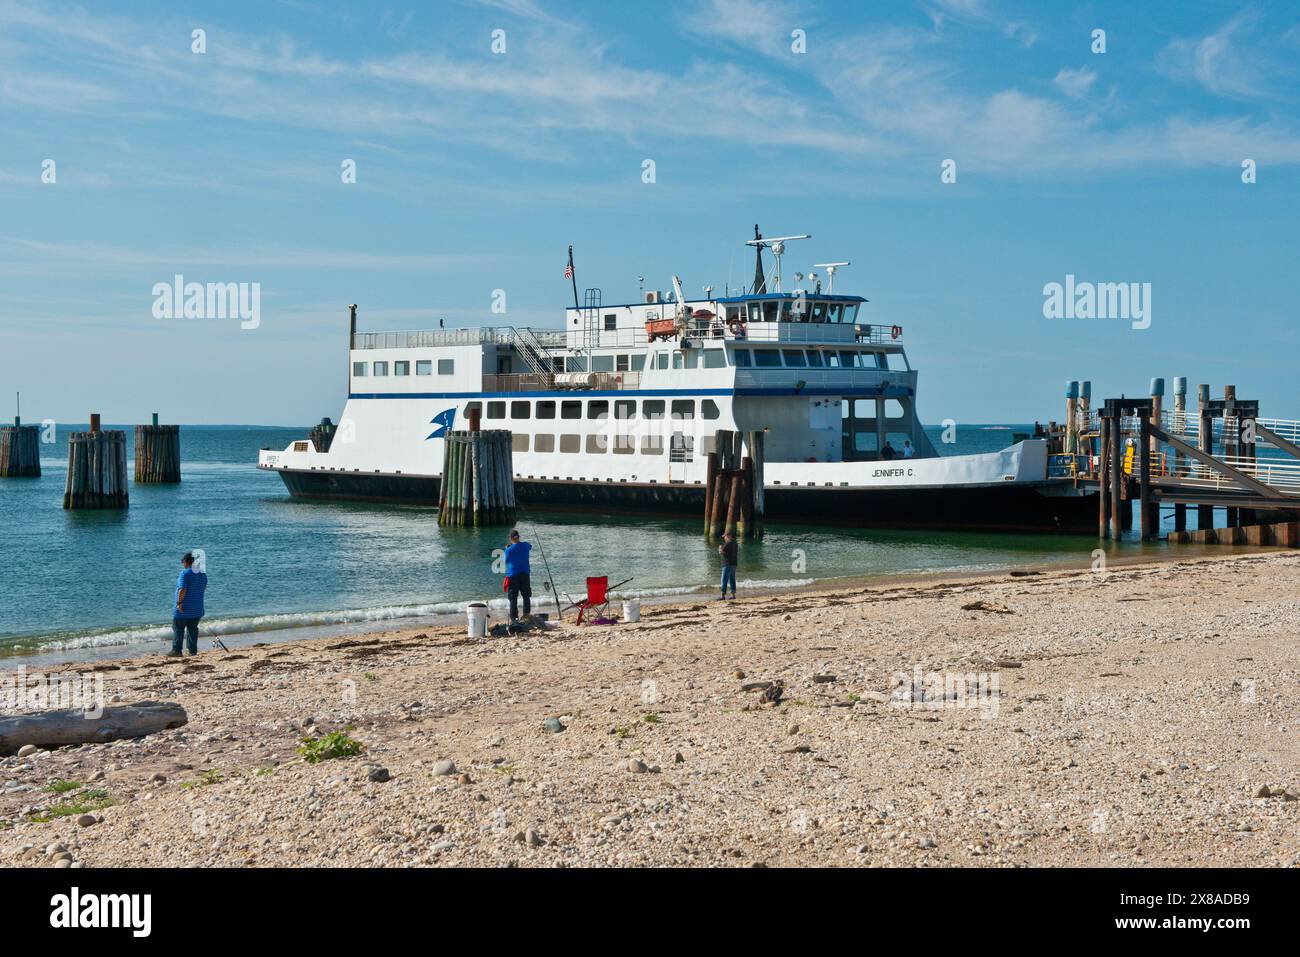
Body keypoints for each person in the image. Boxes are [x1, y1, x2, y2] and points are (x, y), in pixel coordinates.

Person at [167, 552, 207, 657]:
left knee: (178, 628)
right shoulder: (202, 573)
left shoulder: (185, 573)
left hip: (184, 609)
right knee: (192, 629)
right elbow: (203, 588)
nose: (182, 564)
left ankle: (176, 650)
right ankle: (192, 651)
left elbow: (182, 589)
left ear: (187, 562)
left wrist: (179, 603)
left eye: (182, 561)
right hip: (197, 609)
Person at [504, 529, 532, 620]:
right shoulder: (526, 545)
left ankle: (514, 618)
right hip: (525, 574)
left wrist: (508, 548)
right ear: (518, 537)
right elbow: (530, 546)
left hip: (513, 575)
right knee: (526, 596)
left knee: (513, 598)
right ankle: (526, 615)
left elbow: (506, 561)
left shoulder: (508, 550)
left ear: (511, 538)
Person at [718, 531, 738, 600]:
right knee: (732, 579)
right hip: (734, 564)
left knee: (724, 580)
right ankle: (733, 595)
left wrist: (720, 548)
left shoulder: (728, 543)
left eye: (725, 537)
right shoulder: (735, 543)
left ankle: (723, 596)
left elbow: (721, 552)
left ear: (728, 536)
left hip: (727, 564)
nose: (724, 538)